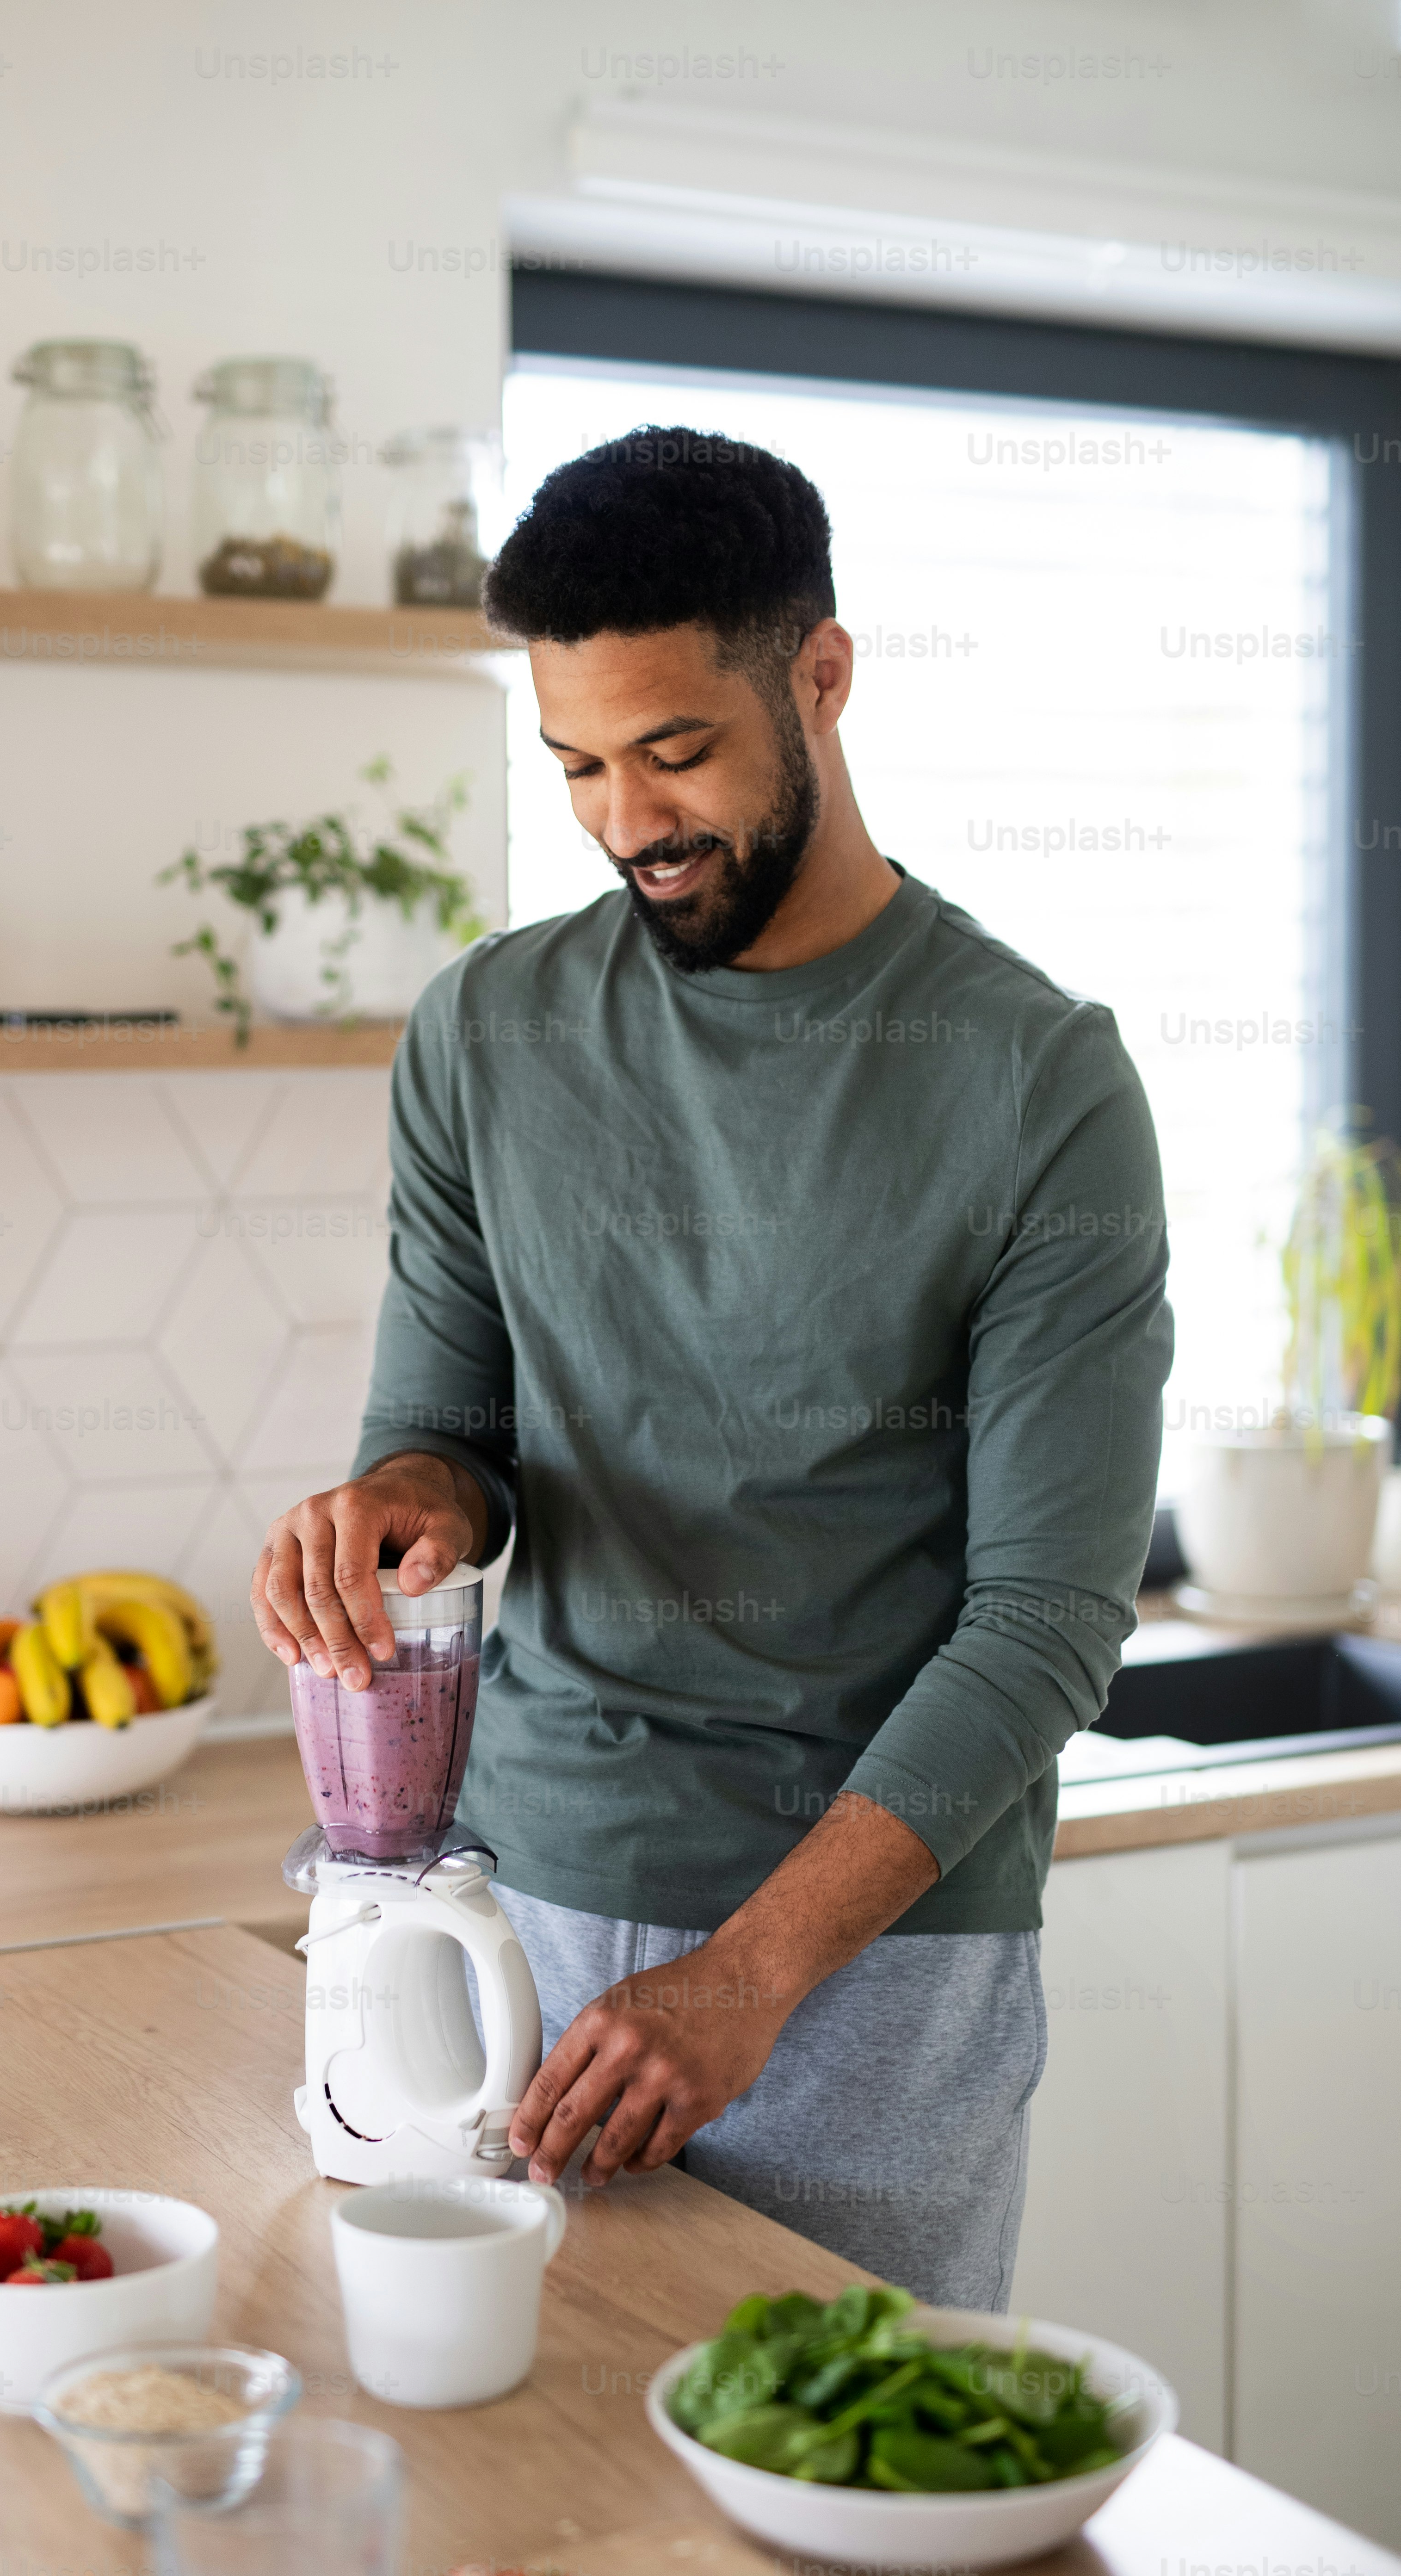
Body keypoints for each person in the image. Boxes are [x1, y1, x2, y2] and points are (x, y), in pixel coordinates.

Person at [252, 425, 1171, 2309]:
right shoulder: (489, 1034)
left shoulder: (1032, 1080)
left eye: (676, 751)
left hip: (865, 1959)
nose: (626, 820)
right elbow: (449, 1435)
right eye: (577, 764)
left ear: (819, 677)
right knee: (520, 2486)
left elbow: (1043, 1625)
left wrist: (750, 1975)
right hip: (520, 1895)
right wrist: (403, 1506)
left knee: (835, 2473)